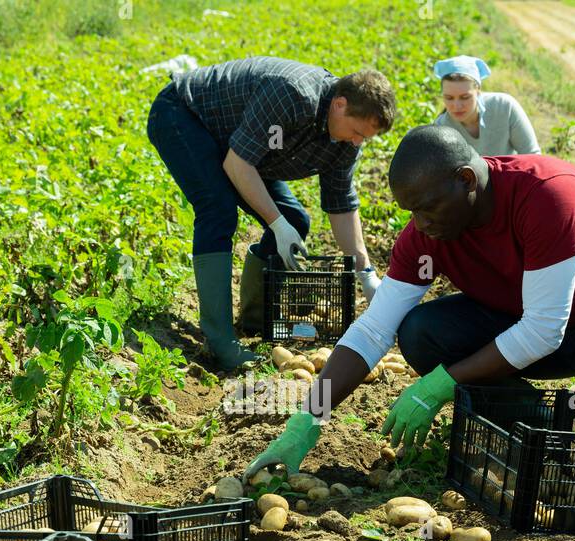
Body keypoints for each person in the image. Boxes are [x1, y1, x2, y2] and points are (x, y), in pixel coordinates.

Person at [244, 124, 575, 479]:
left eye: (428, 208)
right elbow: (374, 329)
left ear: (466, 180)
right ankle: (548, 436)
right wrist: (308, 418)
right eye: (410, 212)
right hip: (522, 322)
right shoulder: (427, 235)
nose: (420, 224)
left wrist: (439, 384)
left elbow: (545, 329)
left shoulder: (547, 194)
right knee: (420, 333)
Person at [146, 57, 394, 370]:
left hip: (238, 144)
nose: (358, 142)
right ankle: (220, 340)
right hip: (184, 116)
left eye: (366, 138)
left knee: (295, 221)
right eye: (358, 132)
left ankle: (252, 320)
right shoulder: (292, 94)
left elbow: (341, 204)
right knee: (218, 210)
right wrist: (276, 223)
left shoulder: (345, 142)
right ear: (340, 104)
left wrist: (367, 274)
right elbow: (238, 165)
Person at [433, 55, 539, 157]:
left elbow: (532, 155)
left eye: (465, 97)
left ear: (478, 92)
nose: (456, 106)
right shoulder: (441, 130)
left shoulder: (504, 107)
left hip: (512, 173)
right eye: (449, 98)